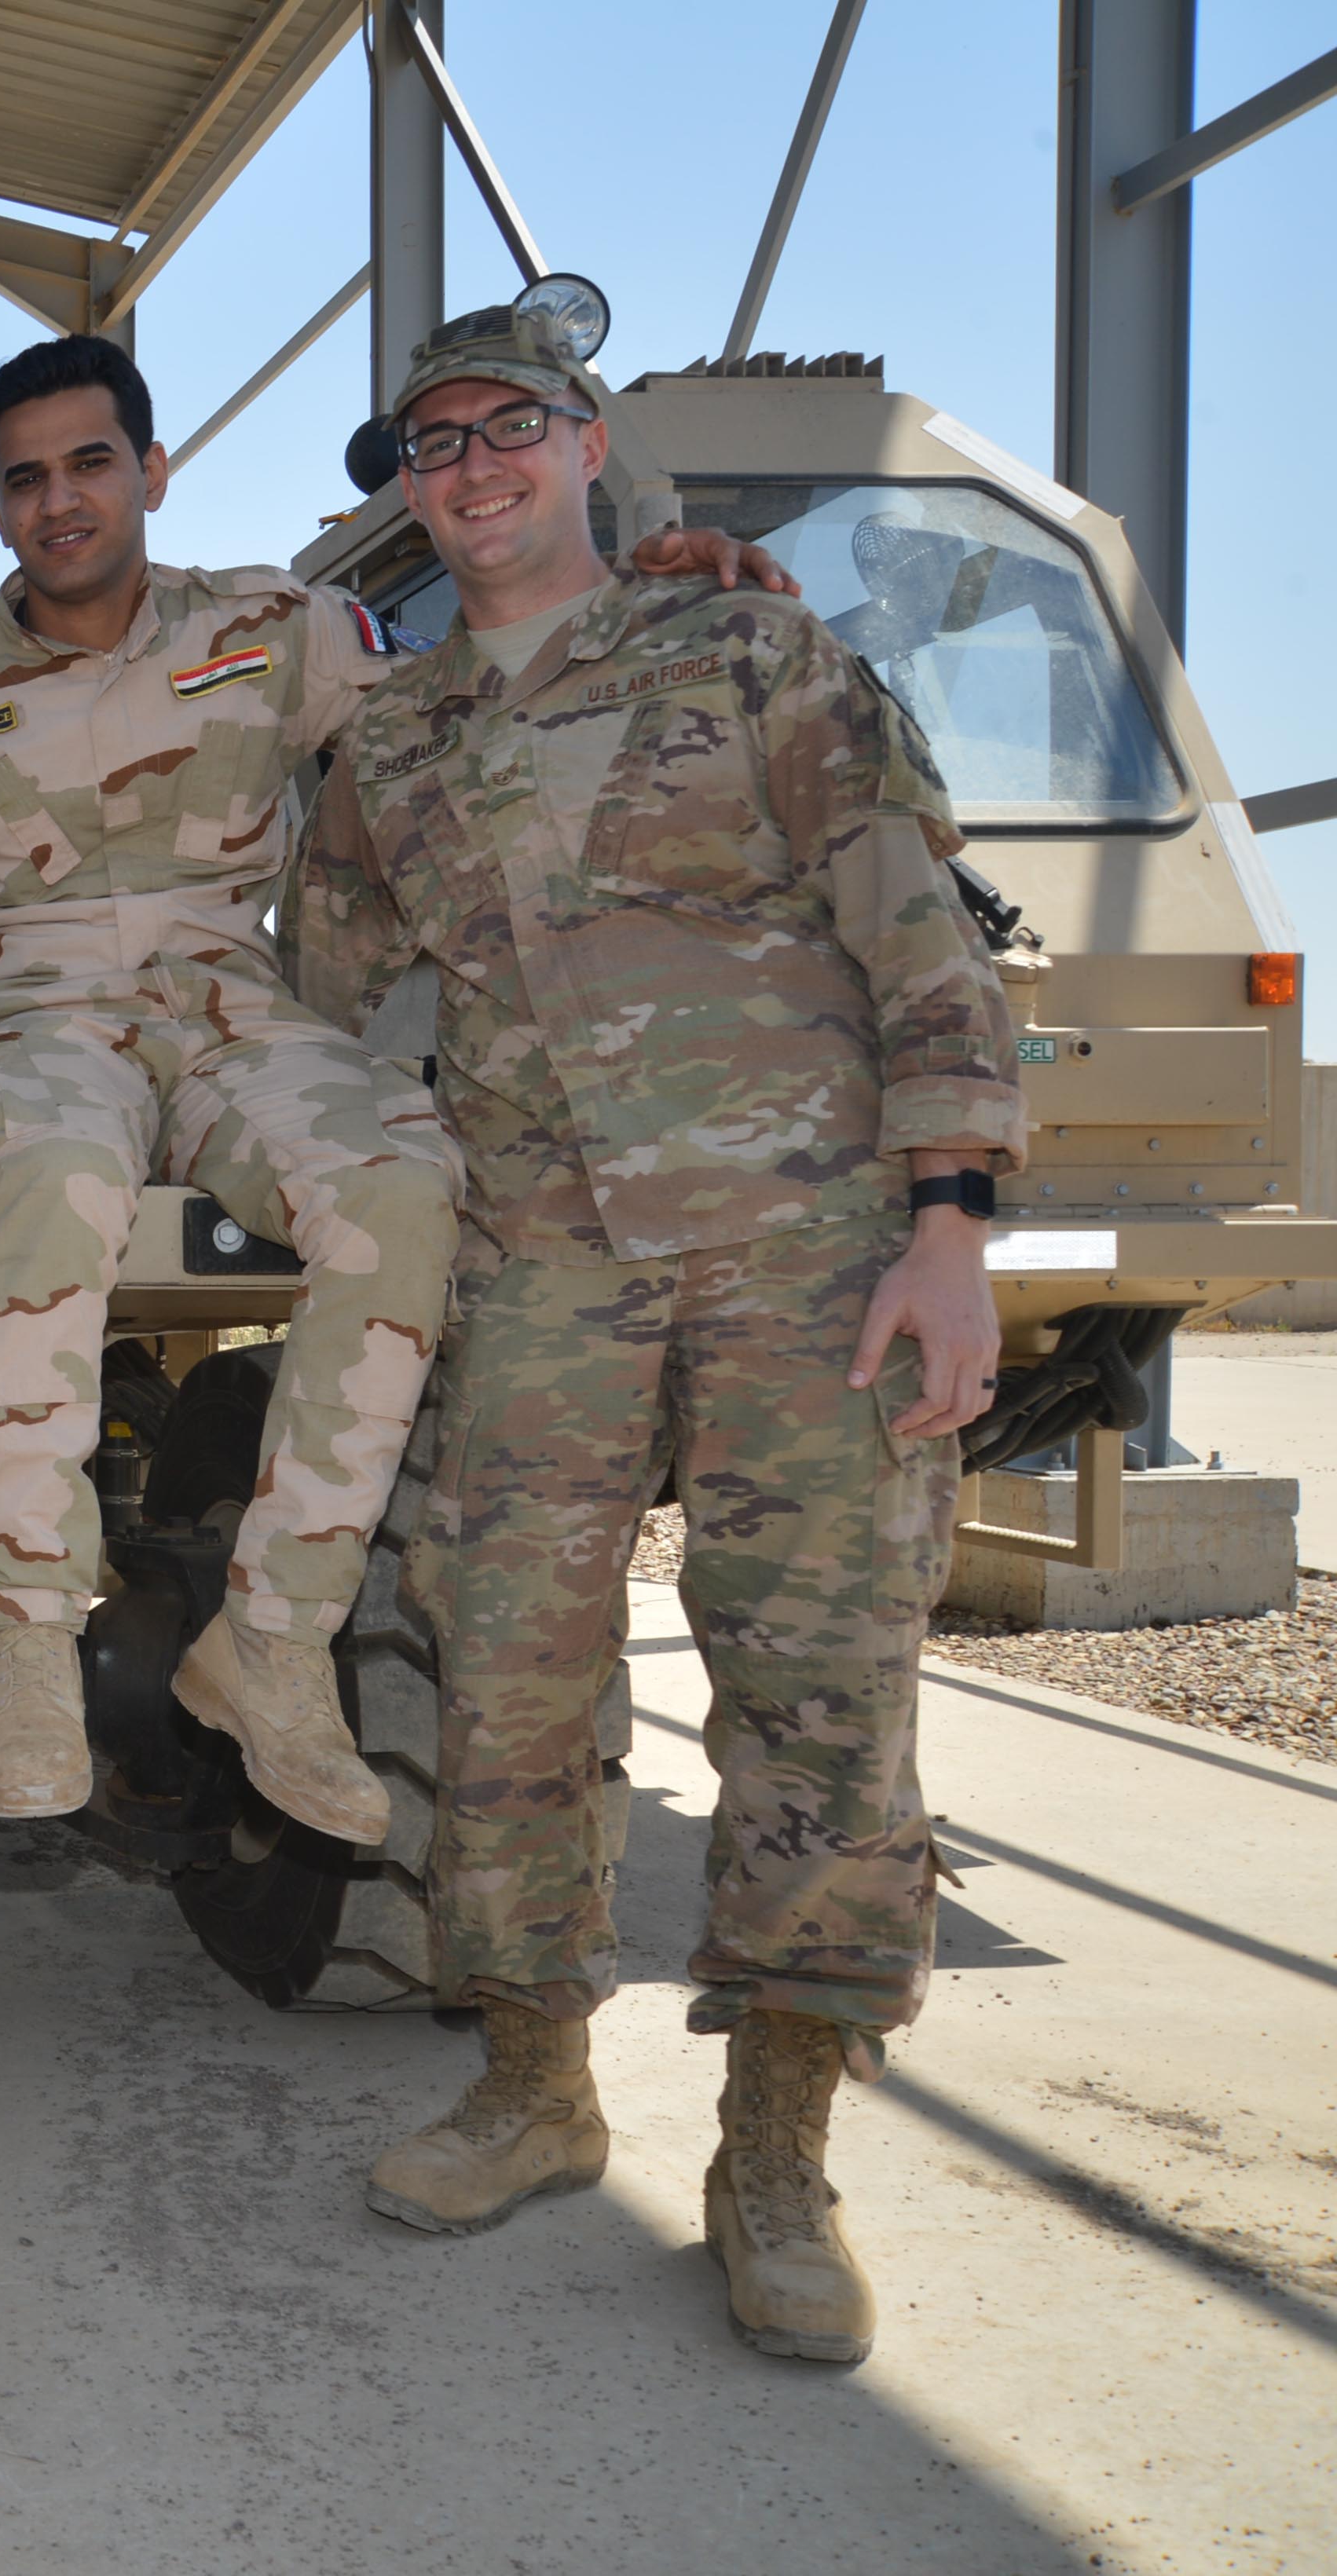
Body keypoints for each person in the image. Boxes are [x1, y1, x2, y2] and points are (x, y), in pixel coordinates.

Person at [0, 338, 778, 1840]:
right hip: (33, 1020)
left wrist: (648, 604)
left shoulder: (275, 627)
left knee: (403, 1183)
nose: (62, 502)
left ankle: (277, 1640)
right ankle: (28, 1634)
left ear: (151, 472)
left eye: (92, 463)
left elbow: (469, 705)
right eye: (26, 478)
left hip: (239, 1004)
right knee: (58, 1182)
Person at [290, 300, 1021, 2366]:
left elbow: (919, 941)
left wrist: (951, 1231)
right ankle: (535, 2090)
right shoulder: (396, 747)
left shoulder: (760, 655)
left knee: (818, 1707)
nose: (470, 466)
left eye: (509, 426)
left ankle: (776, 2162)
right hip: (546, 1274)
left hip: (812, 1254)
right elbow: (315, 978)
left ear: (591, 448)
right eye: (431, 445)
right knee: (503, 1685)